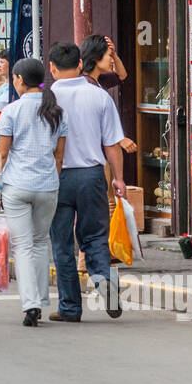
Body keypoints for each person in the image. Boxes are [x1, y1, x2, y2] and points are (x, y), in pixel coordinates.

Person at [0, 58, 67, 327]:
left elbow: (2, 154)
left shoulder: (12, 111)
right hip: (48, 186)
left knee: (23, 246)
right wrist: (51, 179)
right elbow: (59, 158)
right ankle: (40, 299)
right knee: (41, 242)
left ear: (19, 79)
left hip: (17, 186)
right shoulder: (56, 111)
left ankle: (30, 303)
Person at [47, 41, 126, 321]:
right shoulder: (99, 96)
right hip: (92, 175)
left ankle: (69, 307)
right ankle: (103, 279)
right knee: (94, 237)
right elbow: (112, 145)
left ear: (52, 68)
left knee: (62, 243)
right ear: (81, 64)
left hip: (57, 178)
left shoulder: (48, 98)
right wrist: (118, 179)